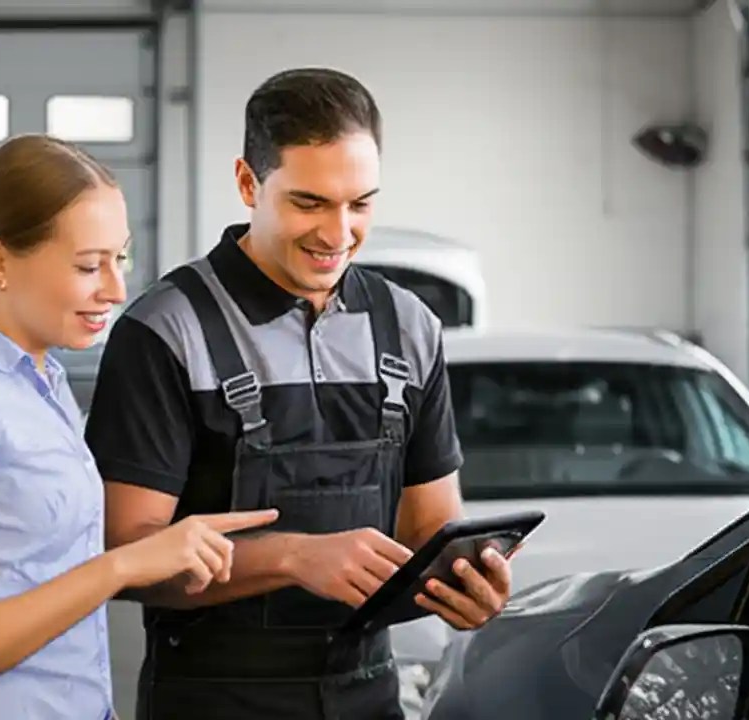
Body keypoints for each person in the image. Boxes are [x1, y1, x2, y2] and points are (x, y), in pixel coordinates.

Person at [85, 67, 515, 720]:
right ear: (247, 183)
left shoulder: (409, 327)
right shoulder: (166, 330)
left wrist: (465, 584)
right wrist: (291, 557)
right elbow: (123, 554)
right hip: (212, 703)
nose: (337, 233)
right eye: (309, 203)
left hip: (368, 698)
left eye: (360, 203)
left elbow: (432, 526)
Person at [0, 134, 278, 720]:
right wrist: (124, 565)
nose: (114, 289)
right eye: (88, 265)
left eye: (120, 259)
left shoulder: (41, 380)